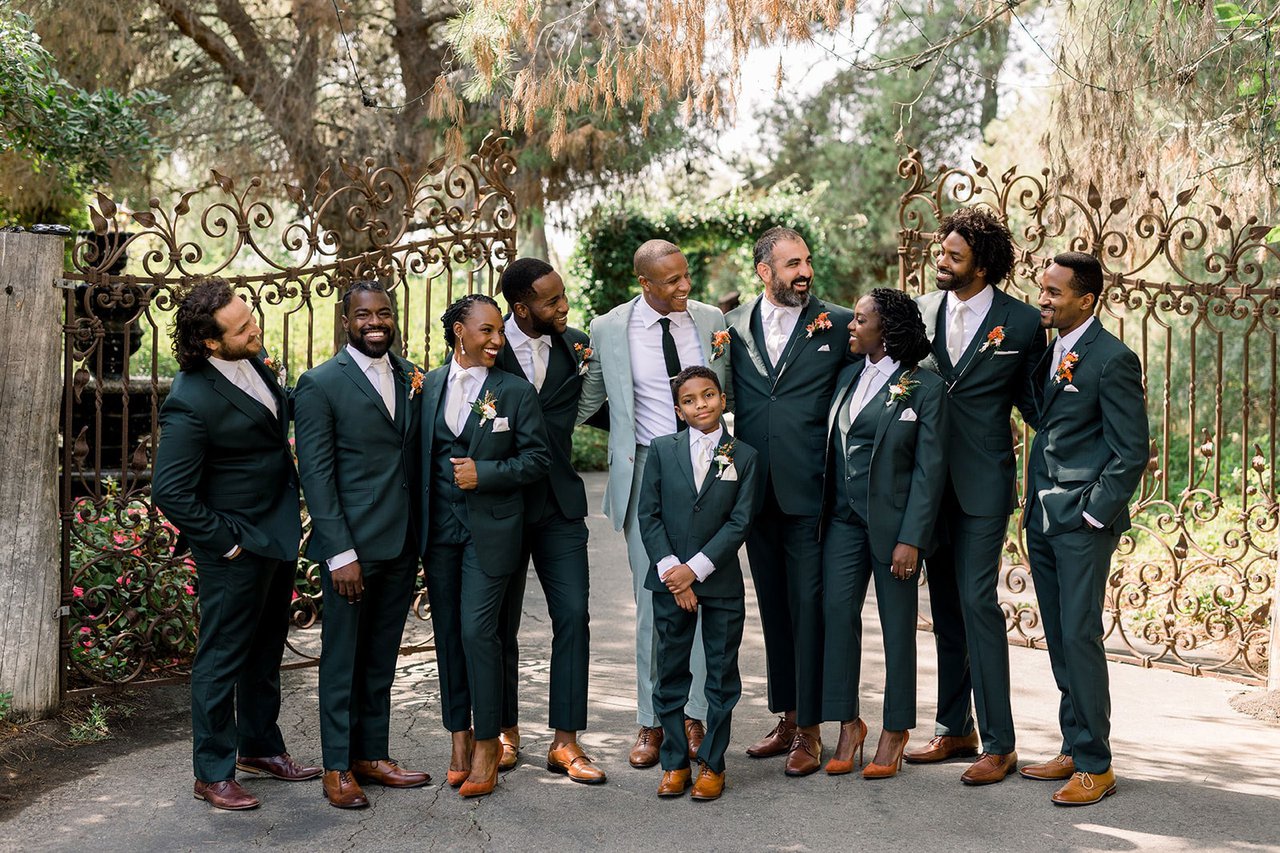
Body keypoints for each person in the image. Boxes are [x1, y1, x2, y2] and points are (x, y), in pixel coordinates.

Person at [153, 278, 320, 811]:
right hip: (236, 549)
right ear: (209, 342)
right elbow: (169, 491)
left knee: (264, 651)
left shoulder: (255, 361)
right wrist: (226, 545)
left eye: (251, 318)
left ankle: (260, 749)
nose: (256, 329)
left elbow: (274, 419)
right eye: (243, 326)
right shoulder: (190, 399)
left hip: (275, 536)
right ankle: (212, 772)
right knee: (221, 659)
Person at [906, 207, 1048, 784]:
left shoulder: (1020, 324)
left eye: (954, 255)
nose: (941, 260)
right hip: (928, 485)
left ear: (983, 265)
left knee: (977, 602)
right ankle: (953, 727)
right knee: (943, 611)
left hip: (984, 483)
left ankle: (1000, 741)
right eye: (939, 252)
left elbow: (1036, 405)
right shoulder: (921, 314)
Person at [577, 240, 730, 769]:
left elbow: (730, 392)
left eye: (686, 276)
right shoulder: (609, 329)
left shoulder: (710, 320)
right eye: (672, 281)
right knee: (657, 598)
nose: (685, 287)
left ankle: (691, 716)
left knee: (702, 587)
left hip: (710, 468)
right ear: (645, 283)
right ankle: (651, 721)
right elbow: (588, 400)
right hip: (647, 471)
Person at [292, 280, 430, 808]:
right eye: (364, 316)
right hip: (351, 549)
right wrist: (338, 551)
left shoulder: (409, 374)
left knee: (380, 658)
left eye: (384, 314)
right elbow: (318, 476)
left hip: (400, 542)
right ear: (345, 320)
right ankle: (337, 766)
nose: (377, 323)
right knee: (342, 659)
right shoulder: (320, 383)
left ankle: (372, 754)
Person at [724, 227, 853, 775]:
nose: (804, 272)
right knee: (774, 609)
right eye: (792, 264)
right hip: (755, 495)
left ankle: (811, 730)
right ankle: (787, 714)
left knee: (809, 609)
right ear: (764, 272)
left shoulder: (842, 324)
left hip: (812, 491)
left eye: (807, 261)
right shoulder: (730, 328)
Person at [1020, 252, 1148, 806]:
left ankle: (1097, 764)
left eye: (1053, 292)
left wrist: (1095, 512)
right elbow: (1043, 418)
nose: (1043, 299)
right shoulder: (1053, 353)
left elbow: (1132, 450)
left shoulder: (1113, 359)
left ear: (1086, 300)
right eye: (1042, 290)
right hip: (1043, 514)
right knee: (1058, 636)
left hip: (1081, 521)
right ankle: (1074, 745)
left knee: (1079, 635)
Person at [419, 293, 550, 798]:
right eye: (487, 331)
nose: (497, 340)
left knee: (479, 632)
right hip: (440, 534)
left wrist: (487, 473)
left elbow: (538, 460)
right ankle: (459, 737)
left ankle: (490, 742)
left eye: (499, 331)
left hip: (492, 531)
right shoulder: (427, 386)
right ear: (459, 332)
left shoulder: (514, 392)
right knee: (449, 634)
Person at [820, 288, 947, 780]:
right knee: (835, 614)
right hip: (842, 524)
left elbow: (928, 470)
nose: (850, 327)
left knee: (897, 627)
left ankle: (896, 730)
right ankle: (849, 723)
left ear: (886, 328)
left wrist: (912, 537)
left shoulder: (924, 387)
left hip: (895, 530)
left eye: (859, 320)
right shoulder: (849, 377)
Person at [493, 258, 605, 783]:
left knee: (574, 615)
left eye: (563, 296)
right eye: (552, 300)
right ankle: (503, 733)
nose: (564, 307)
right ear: (522, 308)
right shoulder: (488, 346)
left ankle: (566, 741)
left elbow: (607, 404)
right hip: (504, 506)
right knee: (500, 626)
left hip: (561, 505)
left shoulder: (577, 344)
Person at [638, 366, 759, 801]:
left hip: (720, 580)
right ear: (678, 410)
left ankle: (712, 762)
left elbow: (741, 521)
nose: (701, 404)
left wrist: (697, 569)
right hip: (671, 582)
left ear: (722, 399)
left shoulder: (744, 456)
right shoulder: (661, 450)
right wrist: (675, 573)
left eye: (708, 395)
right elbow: (647, 515)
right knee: (670, 672)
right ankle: (673, 762)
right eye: (690, 400)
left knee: (722, 676)